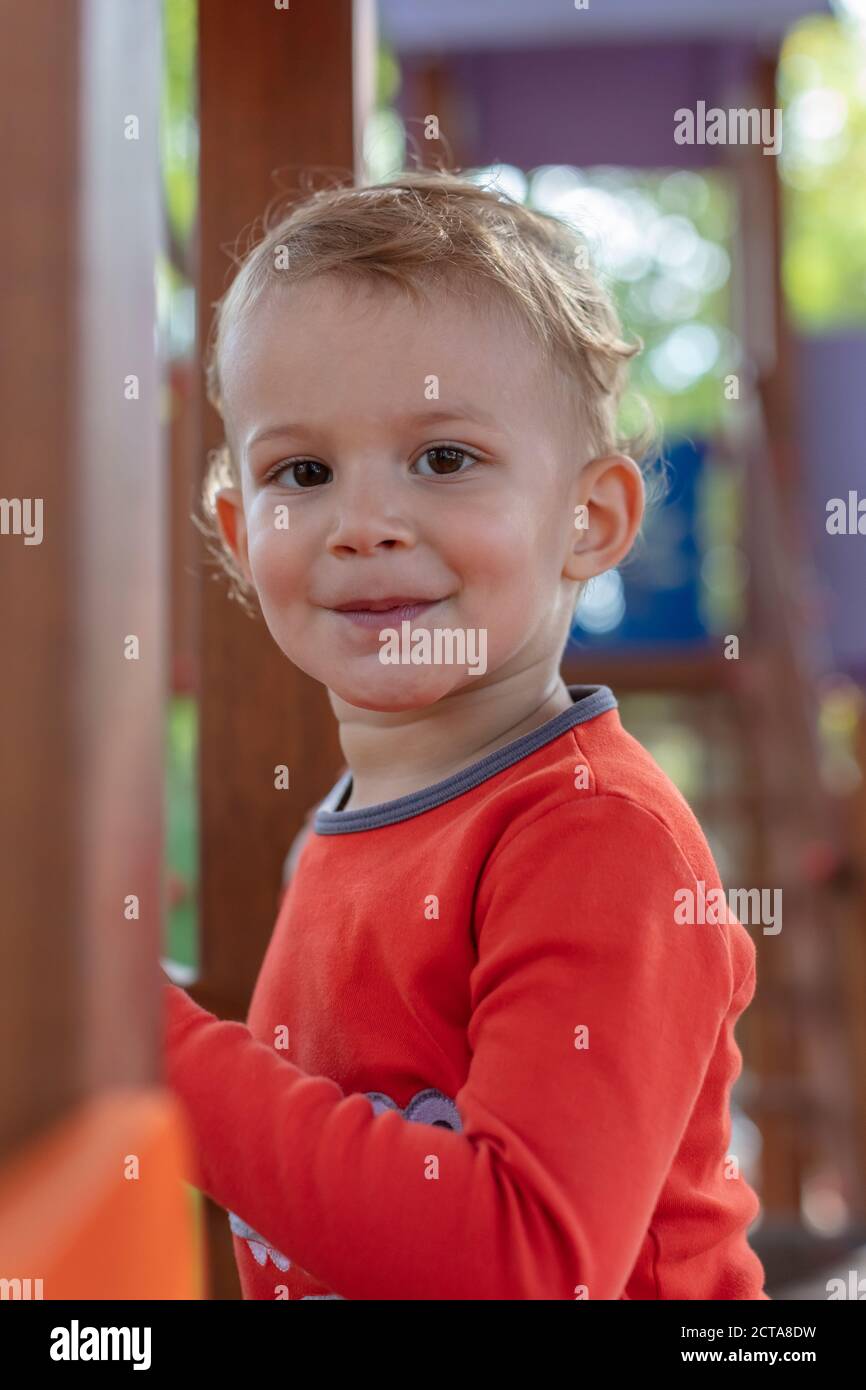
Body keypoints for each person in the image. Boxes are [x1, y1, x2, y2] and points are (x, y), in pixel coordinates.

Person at [163, 170, 769, 1300]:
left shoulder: (593, 838)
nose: (364, 525)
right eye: (304, 472)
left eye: (443, 458)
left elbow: (515, 1262)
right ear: (244, 536)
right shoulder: (345, 833)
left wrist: (158, 1053)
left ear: (588, 519)